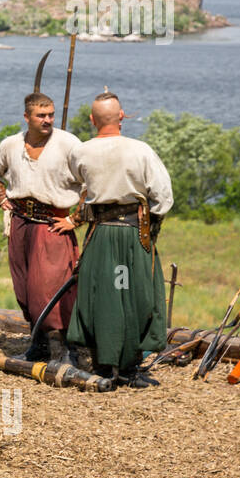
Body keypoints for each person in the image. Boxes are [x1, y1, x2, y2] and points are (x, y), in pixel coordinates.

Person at [66, 92, 174, 385]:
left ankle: (102, 366)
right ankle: (128, 369)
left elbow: (81, 190)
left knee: (101, 297)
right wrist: (152, 224)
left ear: (92, 120)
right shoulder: (141, 151)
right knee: (134, 296)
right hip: (134, 235)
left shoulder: (80, 152)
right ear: (122, 117)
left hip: (99, 233)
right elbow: (163, 197)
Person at [0, 92, 83, 362]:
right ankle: (39, 346)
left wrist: (75, 219)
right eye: (41, 115)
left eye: (50, 114)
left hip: (53, 225)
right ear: (27, 117)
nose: (47, 120)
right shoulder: (11, 144)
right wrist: (1, 197)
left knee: (53, 290)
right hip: (21, 224)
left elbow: (93, 181)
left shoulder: (69, 144)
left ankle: (67, 351)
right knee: (25, 289)